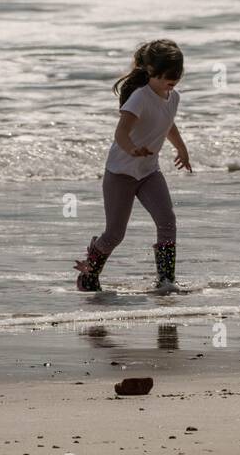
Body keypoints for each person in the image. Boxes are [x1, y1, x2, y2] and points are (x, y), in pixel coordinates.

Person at [74, 39, 192, 292]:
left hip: (149, 172)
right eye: (166, 76)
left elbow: (167, 122)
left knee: (167, 220)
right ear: (150, 71)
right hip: (120, 173)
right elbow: (121, 132)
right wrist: (132, 149)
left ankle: (166, 281)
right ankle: (89, 272)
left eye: (176, 74)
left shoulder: (174, 97)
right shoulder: (139, 97)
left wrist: (181, 148)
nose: (172, 79)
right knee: (115, 234)